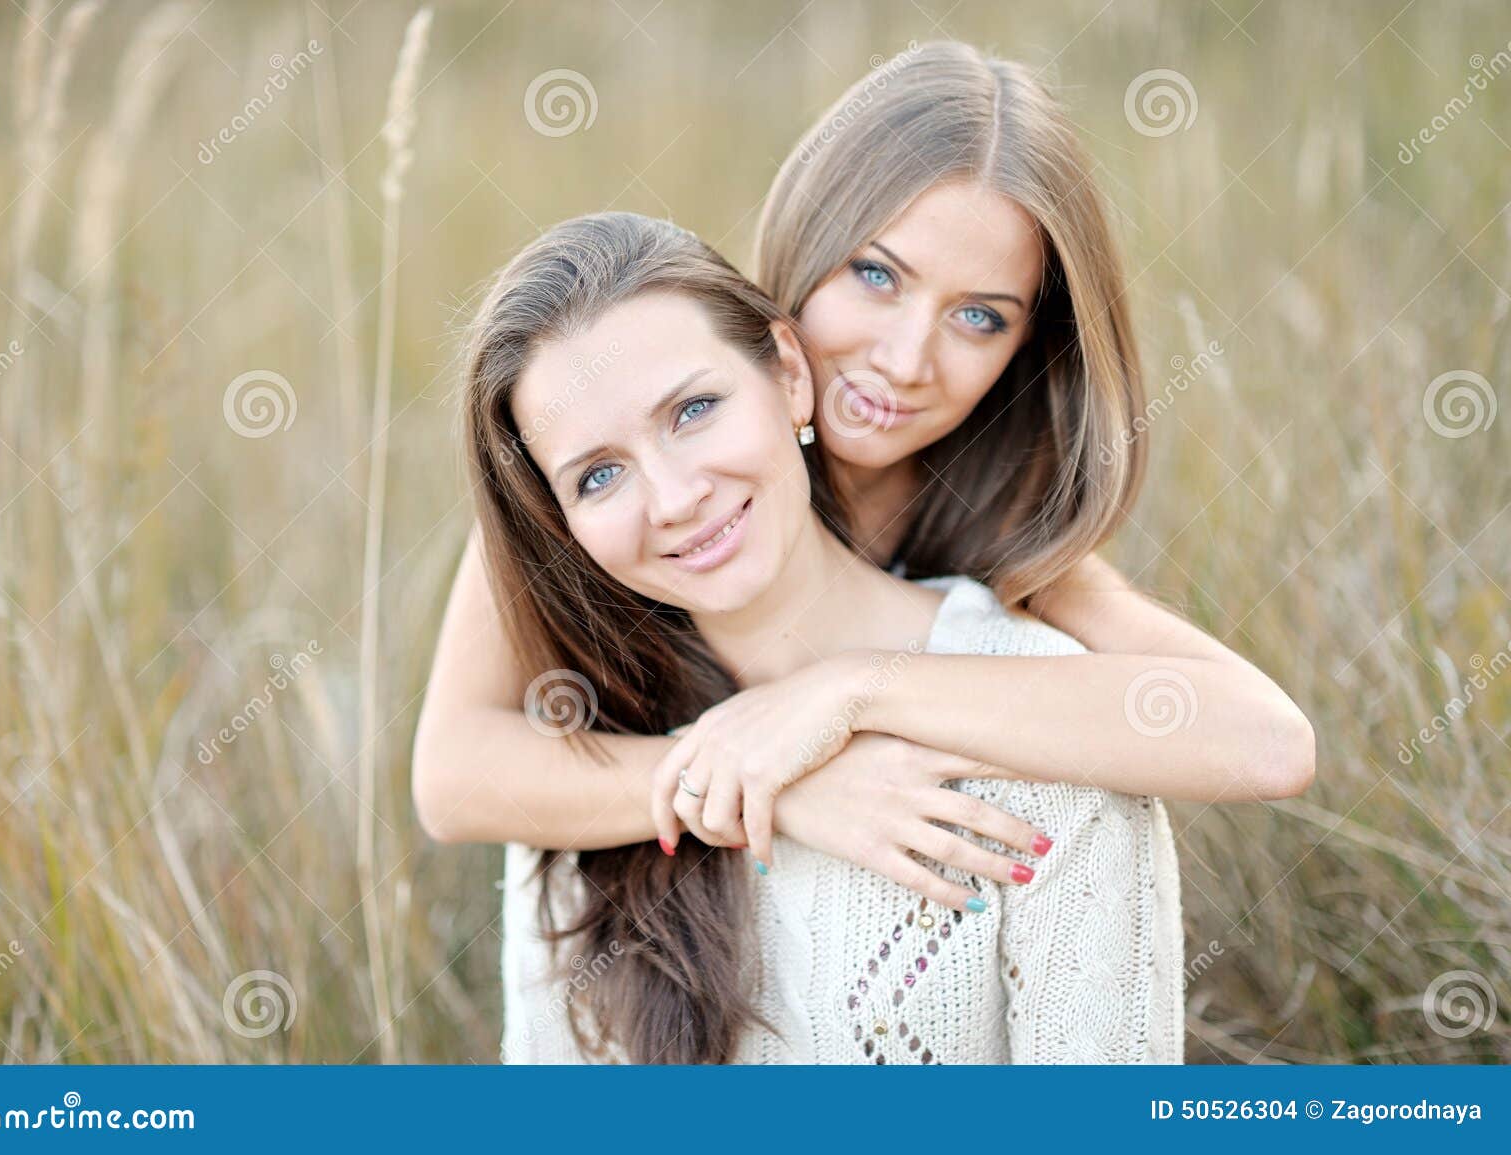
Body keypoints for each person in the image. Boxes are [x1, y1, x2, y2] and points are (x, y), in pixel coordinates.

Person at [467, 212, 1186, 1063]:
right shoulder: (580, 772)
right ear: (565, 521)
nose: (671, 497)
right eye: (600, 474)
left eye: (694, 409)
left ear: (789, 374)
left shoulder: (1054, 739)